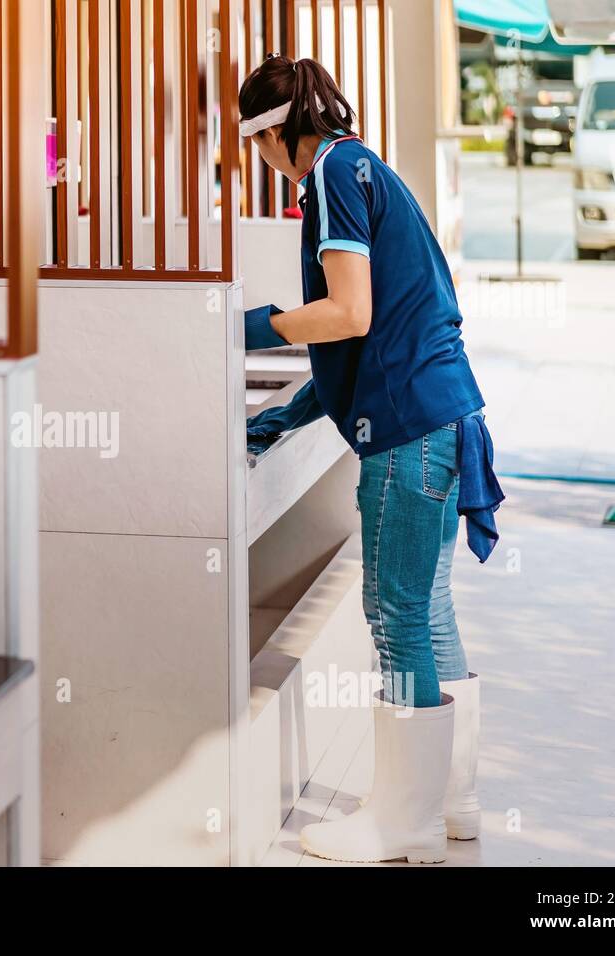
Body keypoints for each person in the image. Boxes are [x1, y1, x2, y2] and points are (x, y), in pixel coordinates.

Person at [238, 54, 504, 864]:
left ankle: (402, 824)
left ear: (274, 133)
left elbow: (348, 314)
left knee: (395, 622)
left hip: (409, 435)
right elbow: (380, 327)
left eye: (254, 144)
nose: (258, 162)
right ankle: (446, 805)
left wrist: (251, 326)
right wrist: (287, 412)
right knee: (428, 611)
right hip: (446, 416)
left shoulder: (329, 175)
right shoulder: (369, 166)